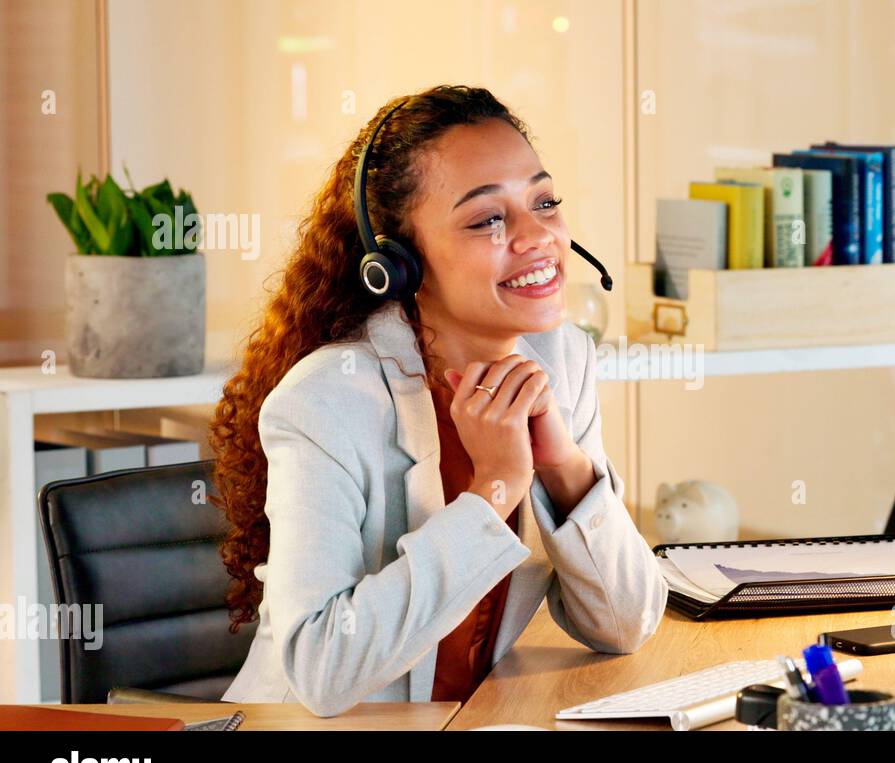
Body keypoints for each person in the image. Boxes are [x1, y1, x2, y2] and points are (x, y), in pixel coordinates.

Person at [210, 85, 667, 717]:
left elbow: (625, 623)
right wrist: (496, 489)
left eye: (544, 201)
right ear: (398, 262)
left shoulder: (561, 360)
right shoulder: (325, 402)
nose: (539, 237)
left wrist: (565, 469)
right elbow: (322, 672)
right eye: (488, 219)